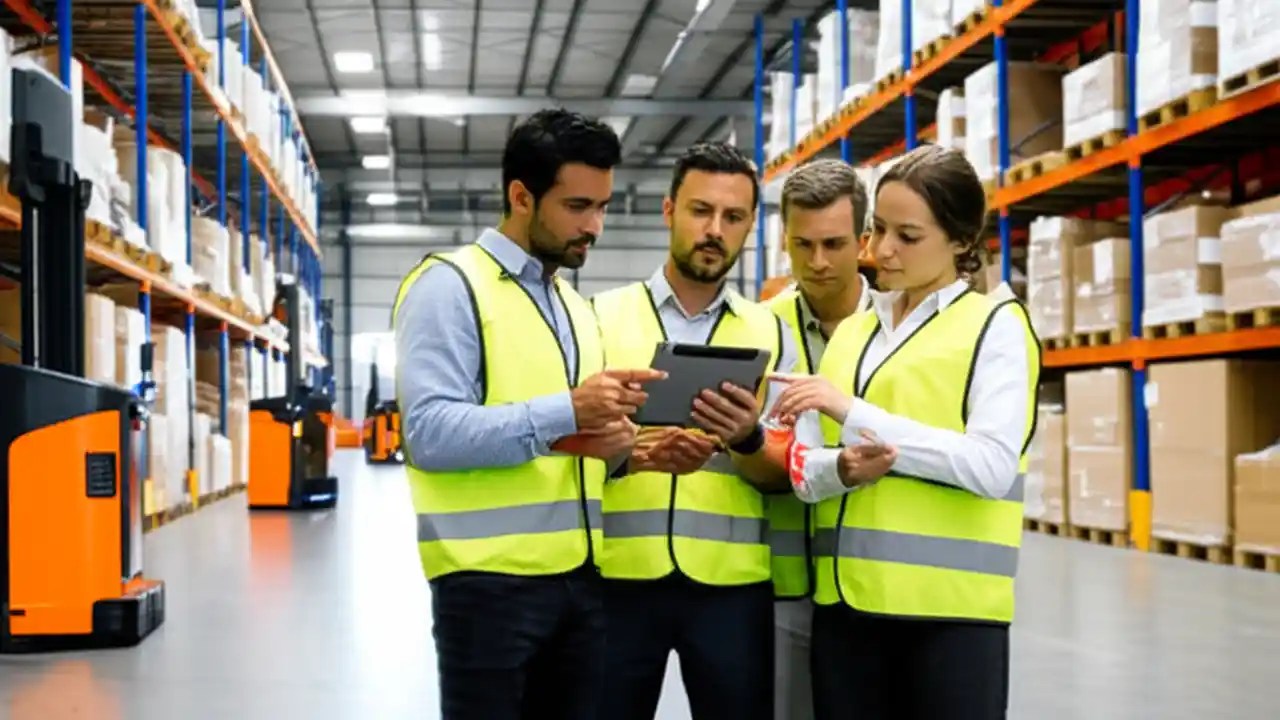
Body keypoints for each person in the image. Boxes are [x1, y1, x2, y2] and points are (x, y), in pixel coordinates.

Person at [392, 108, 664, 720]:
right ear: (521, 197)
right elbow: (429, 433)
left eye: (602, 206)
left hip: (581, 582)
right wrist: (568, 409)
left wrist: (627, 453)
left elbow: (562, 446)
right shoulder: (450, 286)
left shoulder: (572, 305)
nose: (594, 226)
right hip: (487, 591)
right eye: (578, 206)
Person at [770, 144, 1041, 720]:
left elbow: (992, 467)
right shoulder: (855, 333)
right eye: (879, 229)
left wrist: (855, 414)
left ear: (961, 241)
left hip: (951, 620)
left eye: (908, 236)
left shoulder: (995, 327)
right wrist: (841, 469)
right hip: (846, 612)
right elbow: (804, 471)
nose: (881, 250)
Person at [590, 142, 797, 720]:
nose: (714, 230)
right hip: (617, 578)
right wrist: (631, 454)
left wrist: (747, 438)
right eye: (701, 210)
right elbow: (565, 456)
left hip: (731, 590)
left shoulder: (771, 334)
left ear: (750, 227)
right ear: (669, 211)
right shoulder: (597, 319)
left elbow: (787, 474)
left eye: (733, 217)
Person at [762, 158, 871, 720]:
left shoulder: (899, 329)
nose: (818, 262)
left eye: (834, 244)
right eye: (802, 245)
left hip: (874, 584)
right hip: (785, 583)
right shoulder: (759, 328)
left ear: (864, 240)